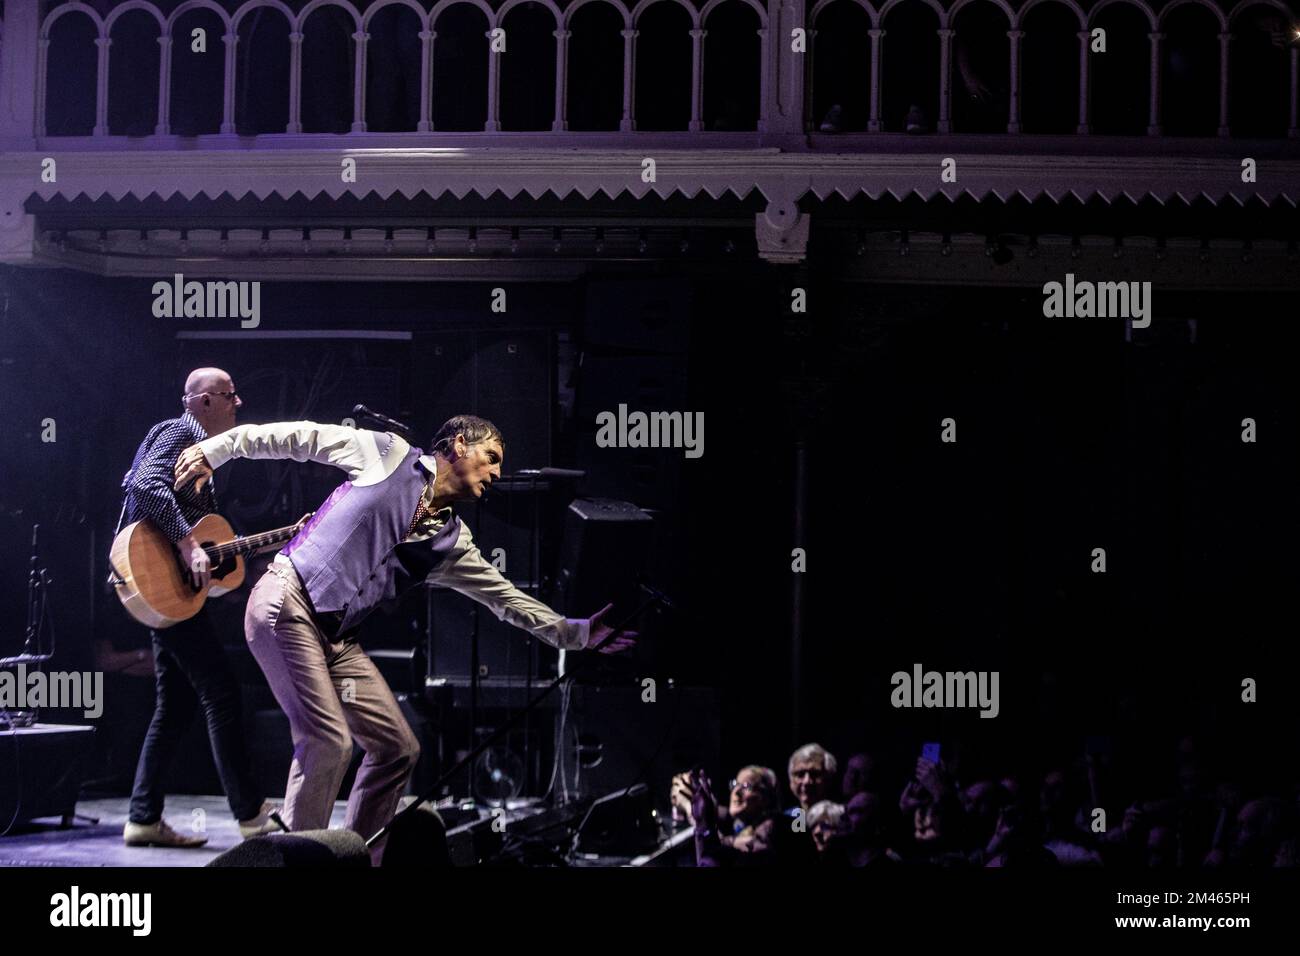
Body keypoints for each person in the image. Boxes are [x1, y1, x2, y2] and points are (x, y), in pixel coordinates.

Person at [174, 414, 634, 861]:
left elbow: (507, 600)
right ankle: (297, 864)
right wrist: (219, 449)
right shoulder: (387, 453)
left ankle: (356, 858)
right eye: (491, 457)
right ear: (458, 445)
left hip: (337, 639)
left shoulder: (453, 542)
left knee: (397, 748)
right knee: (329, 742)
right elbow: (299, 437)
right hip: (287, 601)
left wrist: (577, 634)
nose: (497, 472)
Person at [119, 368, 275, 848]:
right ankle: (251, 816)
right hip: (152, 575)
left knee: (177, 703)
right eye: (229, 396)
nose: (238, 403)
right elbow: (143, 485)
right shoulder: (179, 433)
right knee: (222, 692)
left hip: (166, 591)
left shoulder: (204, 458)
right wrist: (188, 545)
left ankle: (143, 818)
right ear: (204, 402)